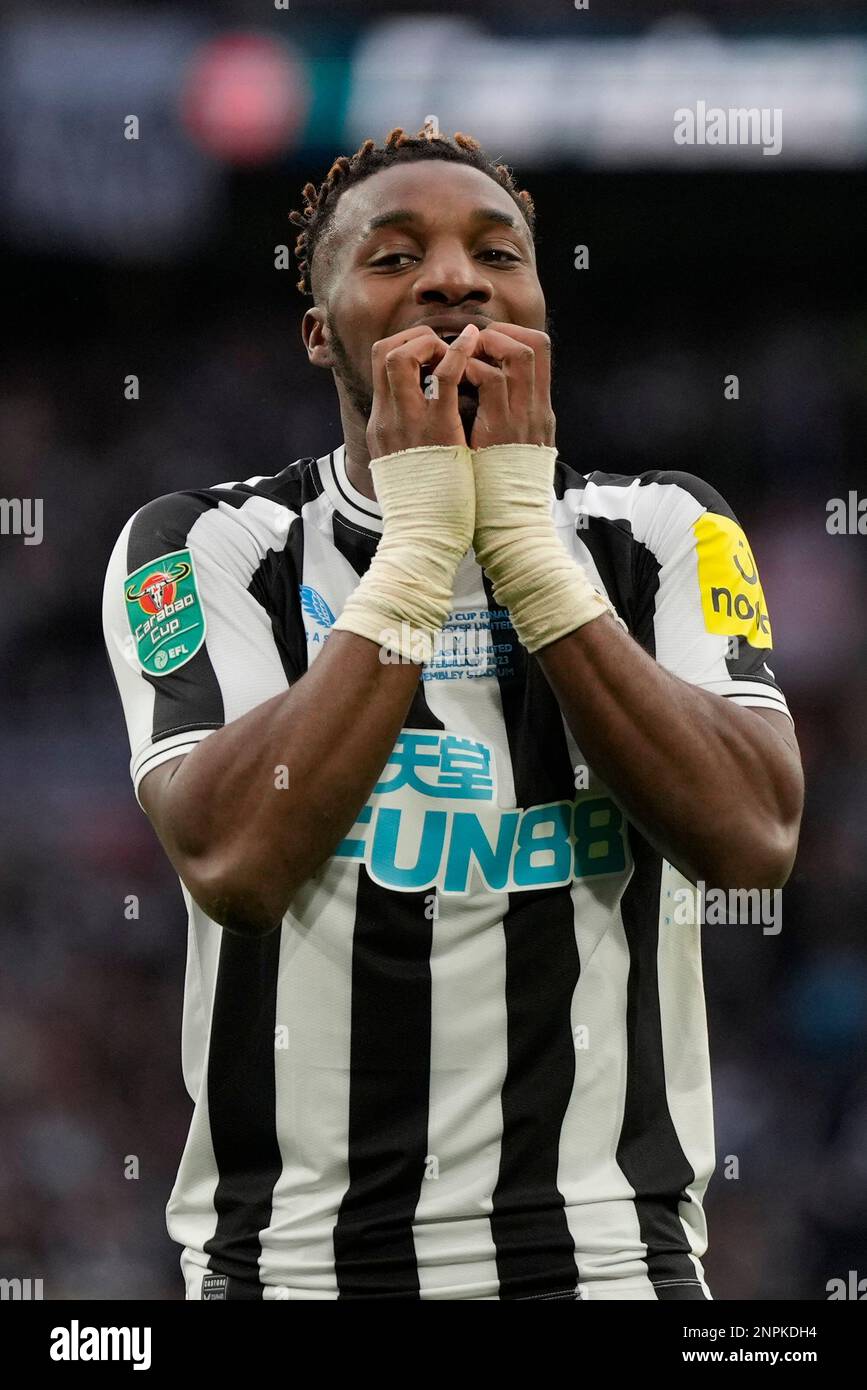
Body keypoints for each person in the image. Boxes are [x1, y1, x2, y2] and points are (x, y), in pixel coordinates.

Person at [102, 124, 804, 1301]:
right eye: (392, 255)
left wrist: (525, 548)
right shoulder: (207, 543)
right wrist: (425, 541)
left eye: (498, 252)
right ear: (321, 332)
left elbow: (754, 839)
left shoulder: (664, 529)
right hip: (296, 1271)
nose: (452, 277)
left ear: (537, 305)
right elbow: (234, 858)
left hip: (611, 1267)